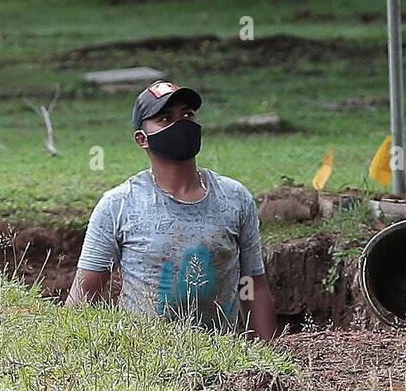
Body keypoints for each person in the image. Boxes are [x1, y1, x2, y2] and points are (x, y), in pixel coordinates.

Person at [68, 80, 278, 340]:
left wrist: (269, 354)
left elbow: (253, 285)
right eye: (166, 119)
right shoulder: (118, 204)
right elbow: (84, 297)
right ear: (142, 139)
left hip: (224, 363)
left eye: (187, 114)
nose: (181, 124)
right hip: (145, 364)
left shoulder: (235, 198)